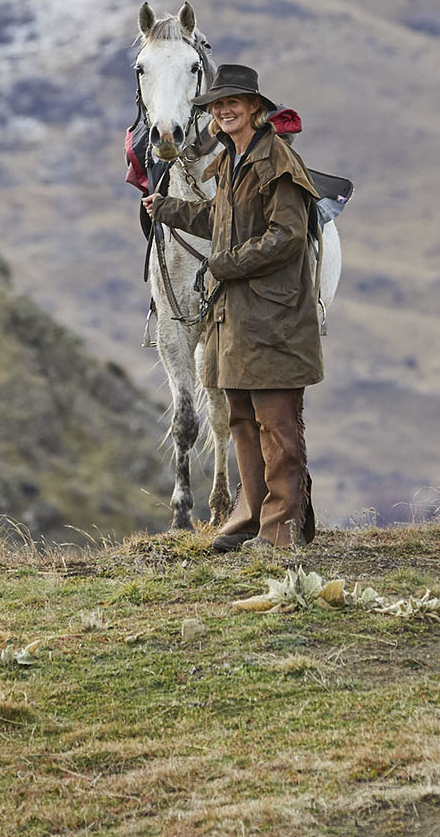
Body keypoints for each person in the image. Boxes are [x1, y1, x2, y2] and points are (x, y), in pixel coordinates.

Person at [143, 64, 324, 551]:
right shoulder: (231, 161)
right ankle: (249, 517)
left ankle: (281, 527)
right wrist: (168, 209)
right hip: (239, 318)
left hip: (273, 317)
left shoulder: (276, 162)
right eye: (217, 106)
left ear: (255, 109)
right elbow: (219, 217)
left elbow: (286, 236)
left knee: (278, 423)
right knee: (241, 418)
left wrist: (227, 265)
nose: (223, 112)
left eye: (233, 104)